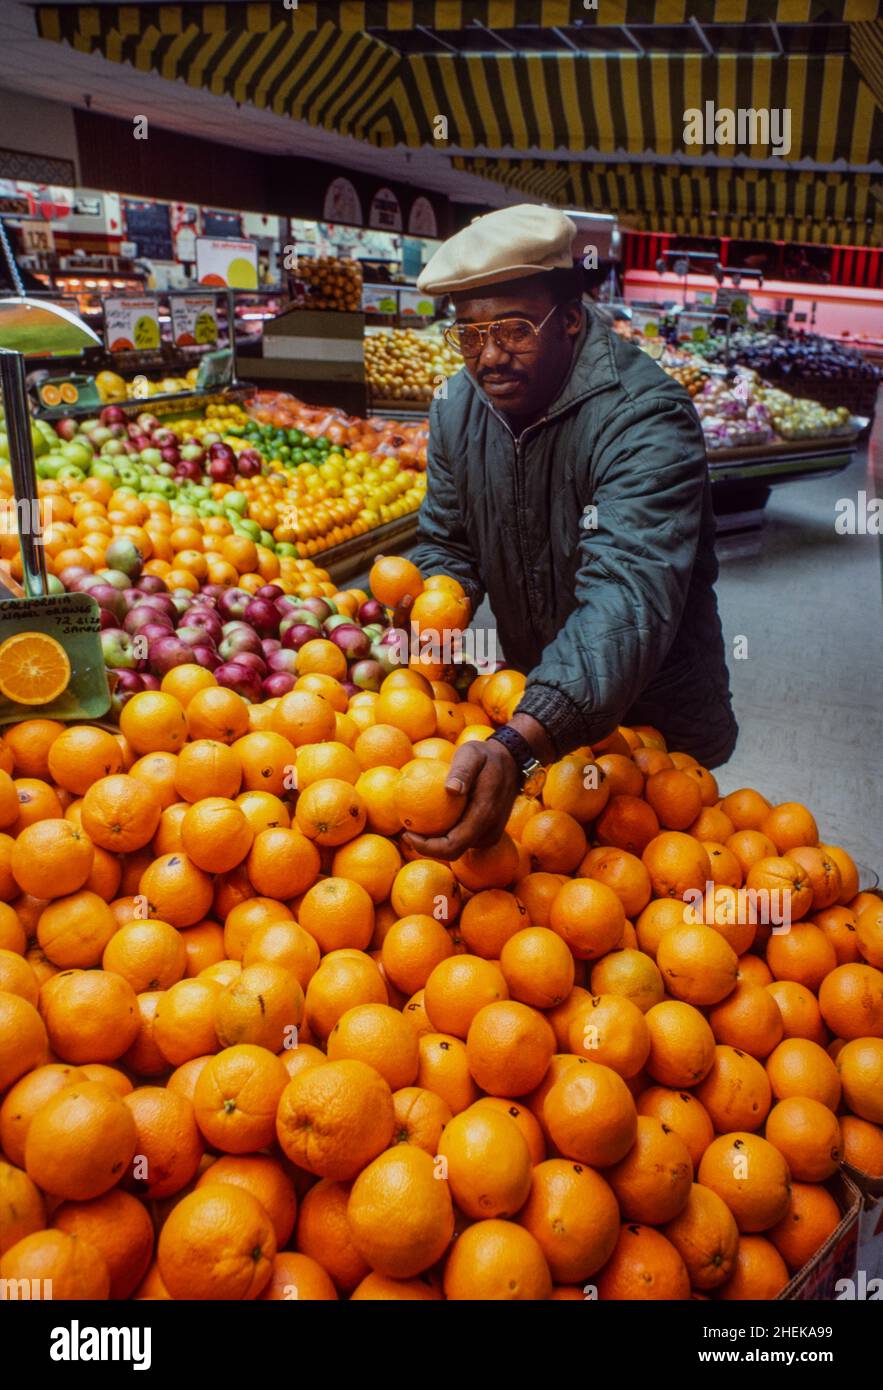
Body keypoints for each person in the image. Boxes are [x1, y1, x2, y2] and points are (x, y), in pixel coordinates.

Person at [402, 204, 737, 860]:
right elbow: (446, 540)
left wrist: (519, 743)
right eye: (468, 333)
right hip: (531, 710)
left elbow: (627, 596)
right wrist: (436, 604)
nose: (488, 356)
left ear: (573, 319)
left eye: (513, 328)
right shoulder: (458, 407)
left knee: (657, 883)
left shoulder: (645, 420)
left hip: (651, 725)